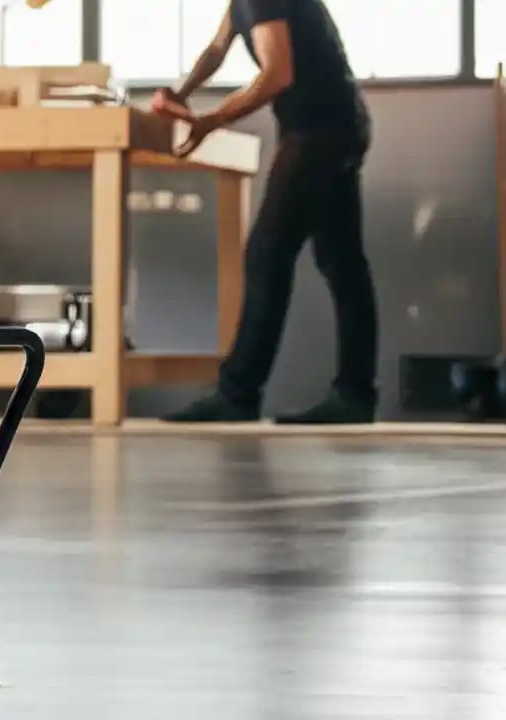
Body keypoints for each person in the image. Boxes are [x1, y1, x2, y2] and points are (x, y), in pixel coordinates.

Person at [156, 0, 378, 424]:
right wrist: (181, 93)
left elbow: (278, 73)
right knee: (342, 262)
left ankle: (239, 393)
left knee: (268, 253)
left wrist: (210, 120)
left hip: (320, 130)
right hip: (334, 123)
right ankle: (355, 393)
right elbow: (218, 48)